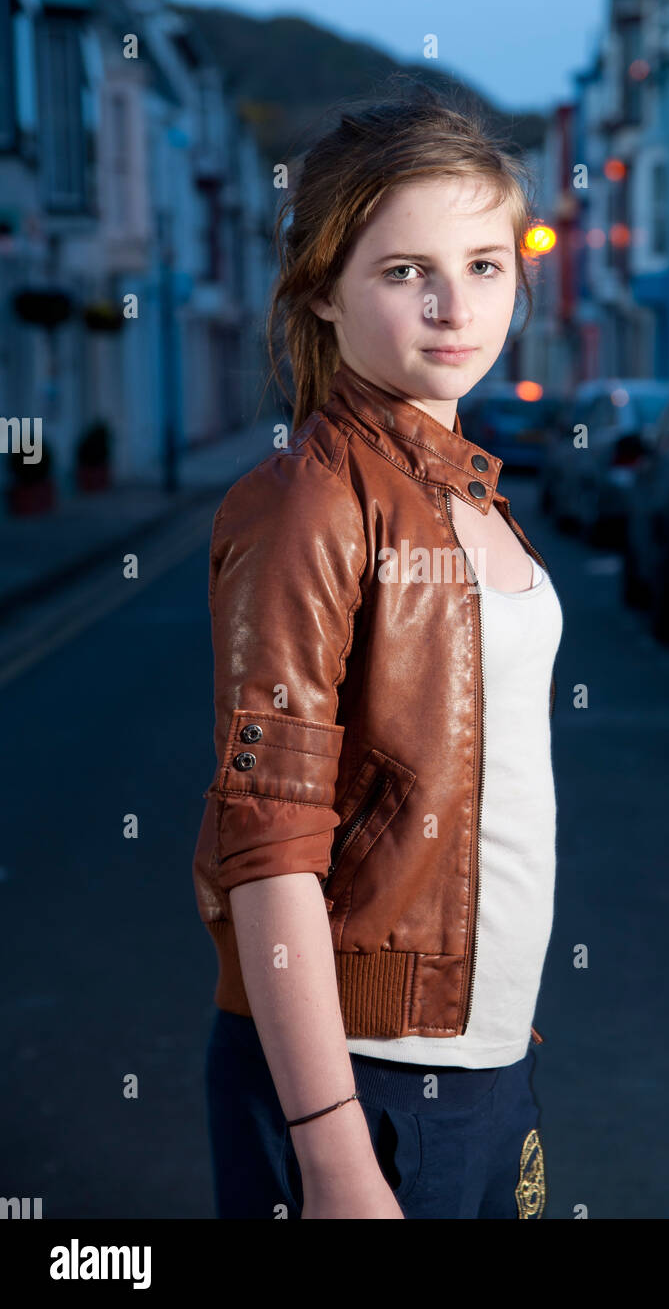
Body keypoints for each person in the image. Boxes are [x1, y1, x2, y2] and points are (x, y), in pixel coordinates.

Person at [194, 84, 563, 1219]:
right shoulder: (311, 505)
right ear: (321, 294)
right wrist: (333, 1150)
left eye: (484, 265)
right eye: (405, 271)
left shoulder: (468, 487)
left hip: (483, 1052)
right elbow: (267, 845)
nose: (454, 305)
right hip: (365, 1080)